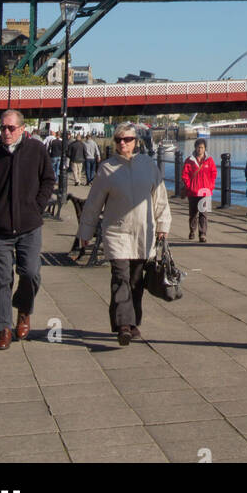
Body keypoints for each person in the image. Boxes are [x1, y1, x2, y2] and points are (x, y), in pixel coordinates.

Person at [75, 121, 170, 345]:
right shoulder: (107, 169)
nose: (122, 143)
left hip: (143, 231)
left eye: (127, 139)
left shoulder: (148, 165)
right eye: (118, 140)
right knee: (120, 278)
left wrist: (163, 225)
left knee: (136, 281)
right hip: (116, 232)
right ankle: (123, 325)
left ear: (135, 142)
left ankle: (133, 321)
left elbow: (160, 199)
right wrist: (85, 231)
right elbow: (94, 203)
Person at [0, 109, 55, 350]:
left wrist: (37, 207)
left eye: (10, 128)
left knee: (30, 273)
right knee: (2, 279)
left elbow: (48, 179)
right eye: (2, 128)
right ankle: (4, 328)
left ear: (22, 129)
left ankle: (24, 311)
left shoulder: (36, 150)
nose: (5, 132)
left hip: (29, 226)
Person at [181, 138, 217, 242]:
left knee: (204, 213)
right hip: (193, 191)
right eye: (198, 147)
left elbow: (213, 173)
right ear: (195, 148)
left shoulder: (209, 160)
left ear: (205, 148)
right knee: (193, 213)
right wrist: (189, 186)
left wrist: (210, 186)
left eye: (202, 147)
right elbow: (185, 175)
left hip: (205, 191)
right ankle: (192, 230)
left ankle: (202, 234)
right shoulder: (189, 160)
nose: (200, 150)